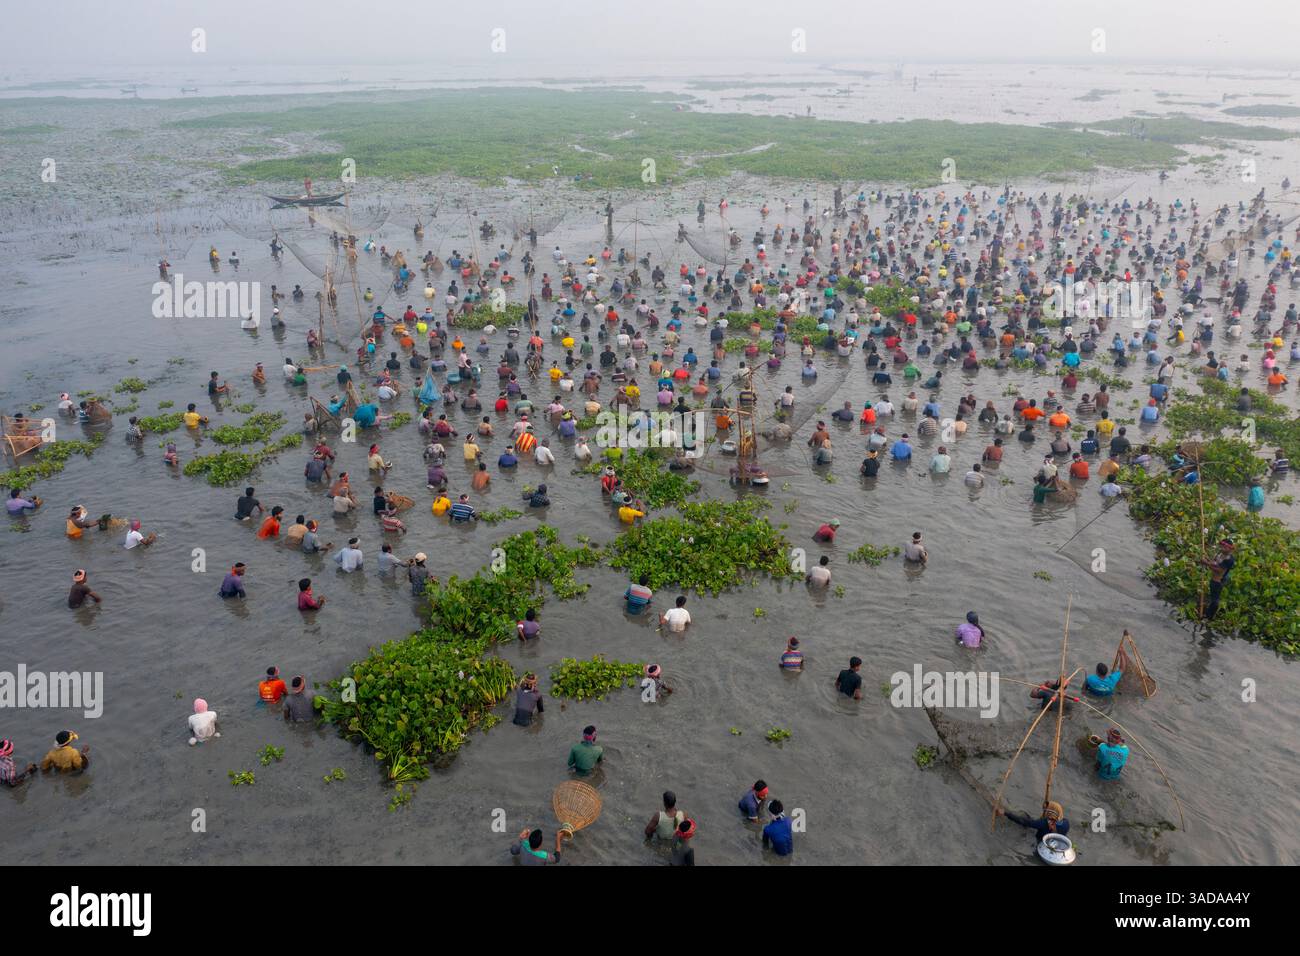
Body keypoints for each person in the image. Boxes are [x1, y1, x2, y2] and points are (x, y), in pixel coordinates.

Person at [1000, 801, 1070, 842]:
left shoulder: (1043, 823)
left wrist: (1006, 813)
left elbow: (1023, 821)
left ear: (1050, 811)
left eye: (1046, 810)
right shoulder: (1066, 823)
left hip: (1041, 843)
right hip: (1055, 842)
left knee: (1025, 819)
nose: (1044, 812)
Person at [1202, 539, 1236, 620]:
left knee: (1215, 601)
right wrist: (1207, 560)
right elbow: (1214, 563)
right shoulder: (1220, 554)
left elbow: (1219, 570)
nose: (1222, 548)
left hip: (1218, 581)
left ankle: (1209, 616)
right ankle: (1206, 611)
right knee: (1212, 597)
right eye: (1222, 546)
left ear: (1230, 549)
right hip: (1213, 579)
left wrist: (1206, 563)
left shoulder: (1229, 560)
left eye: (1225, 547)